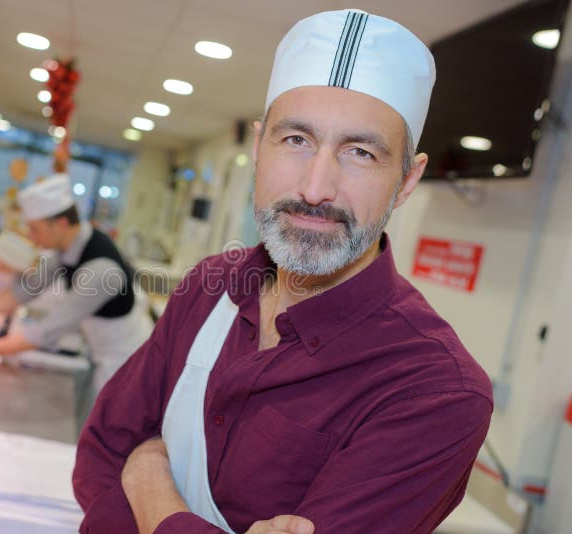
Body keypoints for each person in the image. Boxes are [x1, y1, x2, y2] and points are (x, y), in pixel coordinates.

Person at [72, 9, 493, 534]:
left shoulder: (434, 391)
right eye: (295, 140)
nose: (316, 188)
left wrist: (150, 485)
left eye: (360, 152)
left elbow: (128, 463)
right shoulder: (212, 285)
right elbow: (101, 455)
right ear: (258, 147)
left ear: (406, 181)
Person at [0, 173, 154, 392]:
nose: (31, 237)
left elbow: (46, 332)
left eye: (35, 229)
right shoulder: (65, 248)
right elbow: (25, 290)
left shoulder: (100, 272)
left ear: (61, 224)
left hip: (127, 360)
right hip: (101, 349)